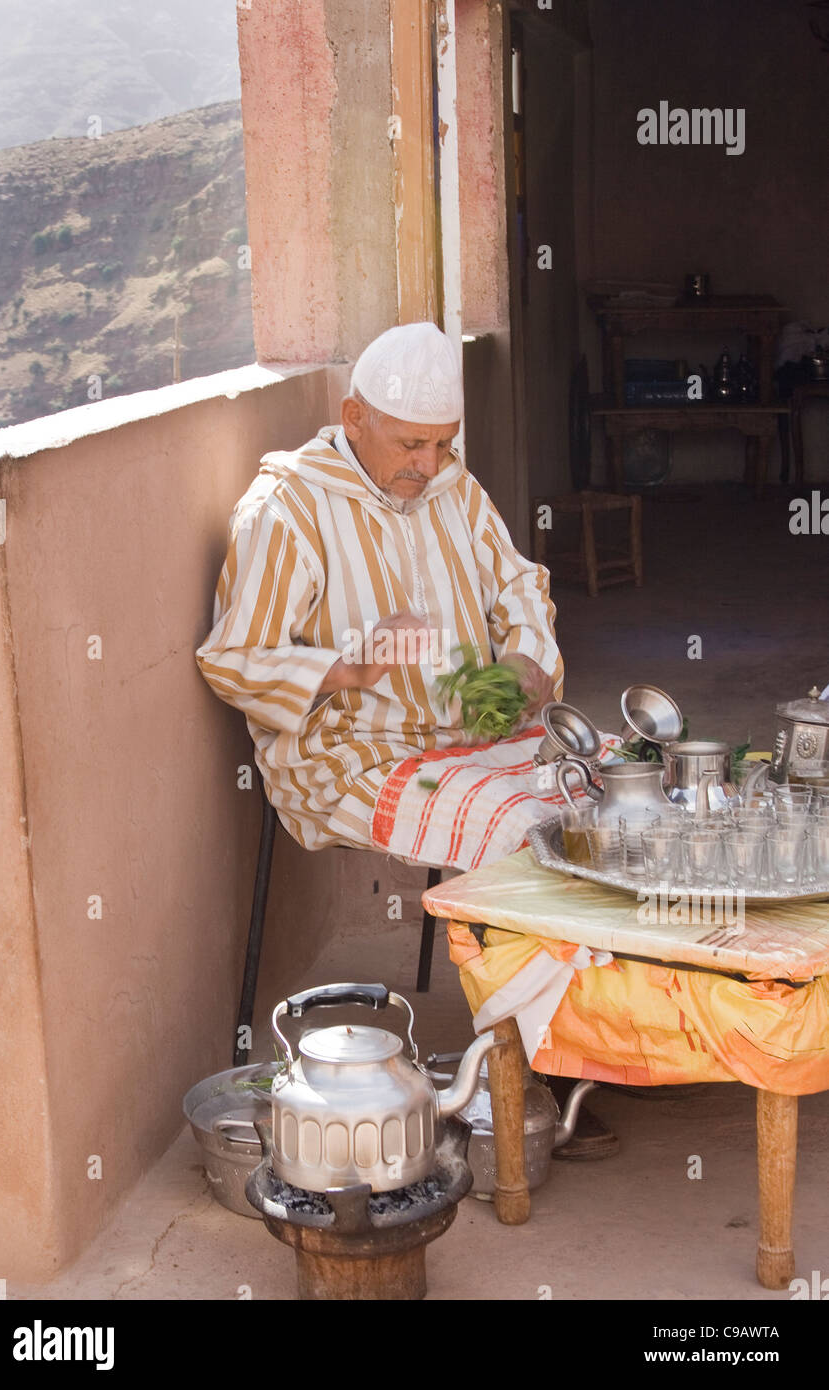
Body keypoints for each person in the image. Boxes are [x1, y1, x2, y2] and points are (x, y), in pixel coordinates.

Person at [196, 321, 616, 1158]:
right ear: (353, 416)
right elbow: (233, 660)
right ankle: (532, 1073)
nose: (428, 464)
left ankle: (592, 1035)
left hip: (465, 730)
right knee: (514, 830)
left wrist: (529, 663)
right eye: (412, 443)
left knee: (602, 783)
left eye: (442, 444)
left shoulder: (453, 487)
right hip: (349, 756)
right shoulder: (287, 508)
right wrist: (348, 667)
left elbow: (519, 584)